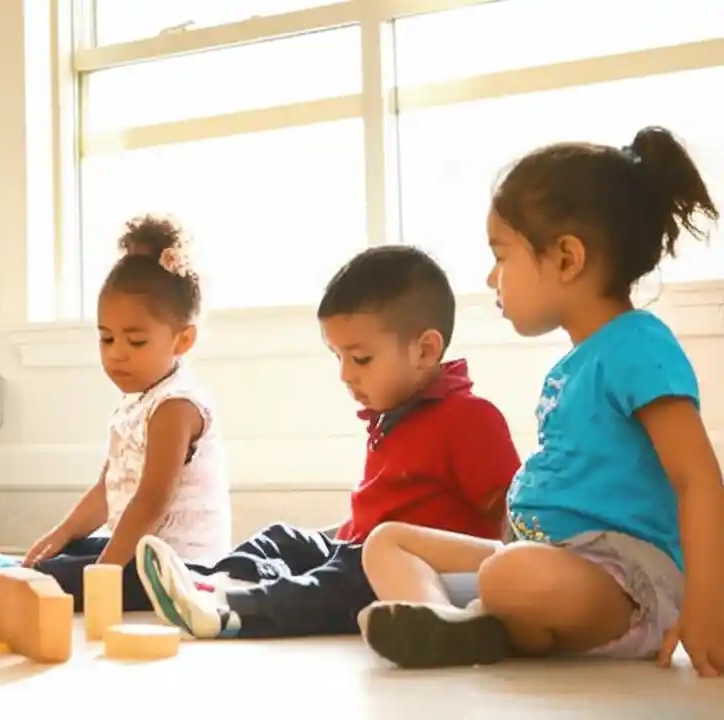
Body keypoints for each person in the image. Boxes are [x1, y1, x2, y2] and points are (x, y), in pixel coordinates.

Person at [356, 126, 724, 678]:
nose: (491, 277)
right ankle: (444, 627)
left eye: (501, 256)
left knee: (513, 575)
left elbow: (697, 478)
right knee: (386, 541)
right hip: (542, 557)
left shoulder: (638, 344)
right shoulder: (576, 363)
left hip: (624, 579)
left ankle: (487, 616)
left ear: (567, 258)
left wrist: (707, 607)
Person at [134, 245, 521, 638]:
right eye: (339, 357)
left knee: (340, 579)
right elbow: (379, 512)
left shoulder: (469, 417)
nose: (345, 375)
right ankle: (214, 580)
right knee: (285, 538)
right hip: (357, 549)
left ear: (425, 350)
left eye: (361, 359)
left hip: (410, 570)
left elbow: (511, 519)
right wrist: (332, 537)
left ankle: (232, 611)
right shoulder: (395, 418)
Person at [19, 215, 230, 611]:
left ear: (183, 340)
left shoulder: (175, 406)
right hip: (141, 550)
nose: (117, 352)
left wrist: (105, 574)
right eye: (106, 337)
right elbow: (107, 489)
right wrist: (61, 534)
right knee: (53, 560)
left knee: (46, 581)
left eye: (135, 341)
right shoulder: (138, 402)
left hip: (180, 568)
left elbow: (151, 501)